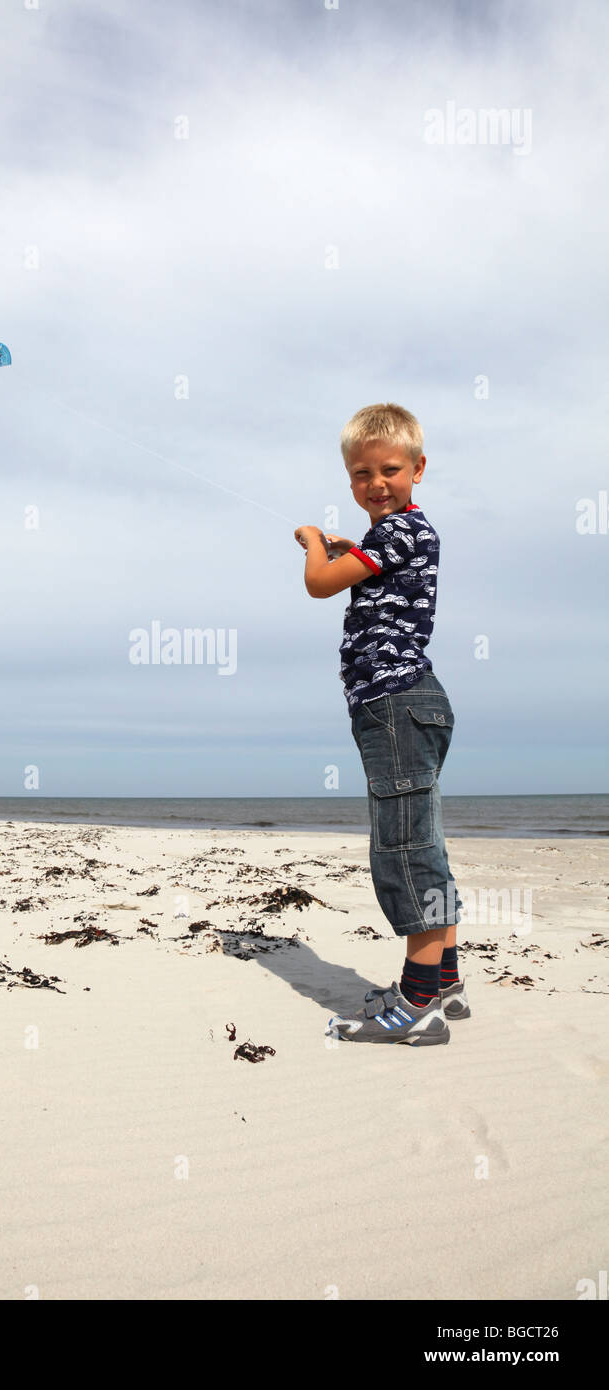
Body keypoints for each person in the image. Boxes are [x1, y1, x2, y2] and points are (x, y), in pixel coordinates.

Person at [294, 402, 467, 1046]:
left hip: (395, 702)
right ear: (350, 480)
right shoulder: (394, 538)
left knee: (403, 848)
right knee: (424, 841)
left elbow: (319, 584)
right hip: (410, 703)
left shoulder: (397, 534)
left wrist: (315, 544)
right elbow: (369, 564)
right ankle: (441, 978)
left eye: (390, 469)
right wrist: (351, 546)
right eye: (362, 473)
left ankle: (419, 1000)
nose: (376, 483)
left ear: (418, 468)